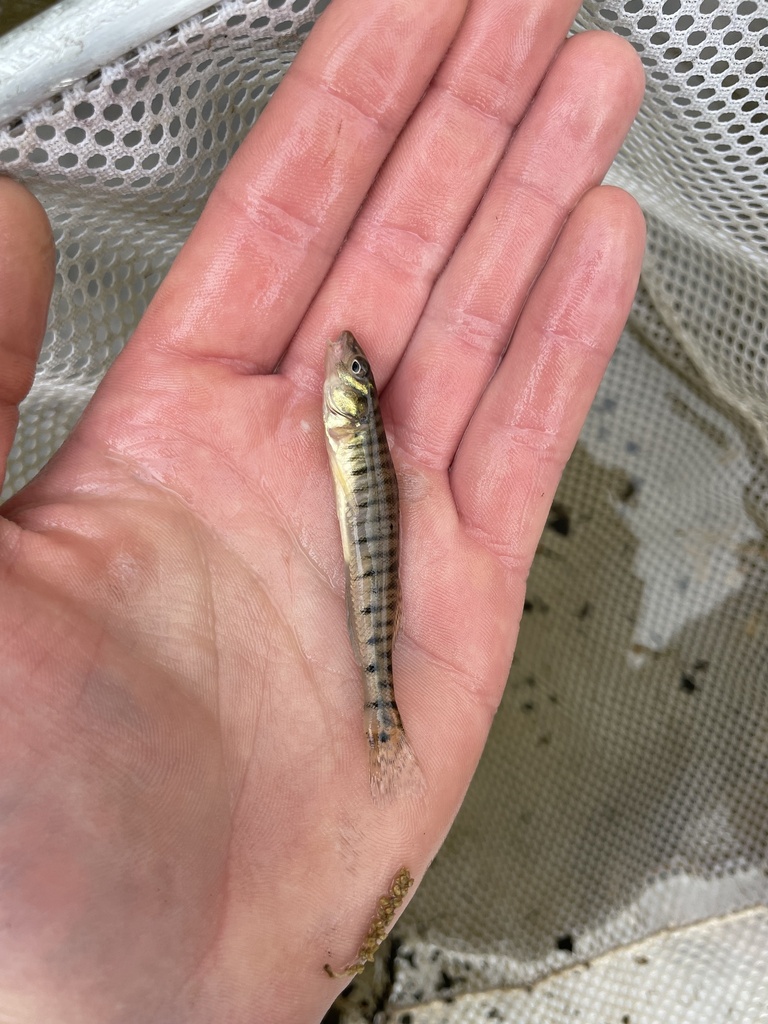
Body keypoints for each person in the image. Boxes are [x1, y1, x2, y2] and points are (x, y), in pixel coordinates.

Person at [0, 0, 645, 1019]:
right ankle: (382, 714)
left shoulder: (349, 416)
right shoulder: (348, 418)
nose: (345, 371)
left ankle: (382, 712)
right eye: (351, 376)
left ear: (351, 406)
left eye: (350, 376)